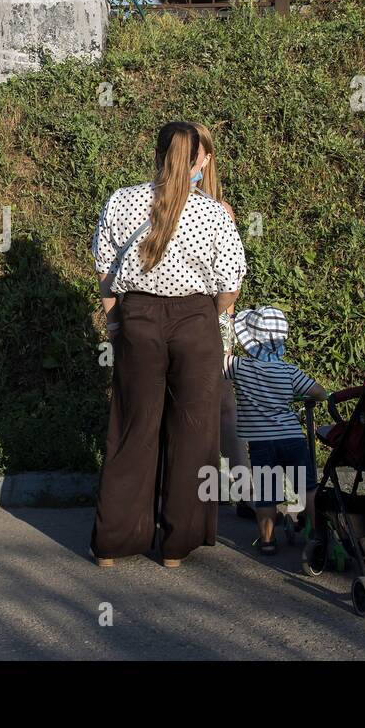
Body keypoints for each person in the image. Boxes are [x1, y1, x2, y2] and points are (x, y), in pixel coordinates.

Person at [91, 121, 247, 567]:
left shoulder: (122, 200)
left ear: (158, 153)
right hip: (196, 323)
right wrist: (208, 319)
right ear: (200, 160)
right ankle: (177, 546)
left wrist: (117, 322)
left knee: (132, 429)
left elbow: (105, 268)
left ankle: (113, 544)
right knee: (194, 434)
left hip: (138, 317)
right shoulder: (215, 213)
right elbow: (230, 284)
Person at [225, 306, 327, 555]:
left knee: (267, 496)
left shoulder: (239, 367)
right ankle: (317, 533)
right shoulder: (289, 371)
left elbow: (219, 360)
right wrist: (298, 395)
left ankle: (268, 541)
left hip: (261, 443)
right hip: (292, 438)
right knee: (308, 487)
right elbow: (320, 392)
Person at [191, 123, 251, 513]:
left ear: (206, 159)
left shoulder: (219, 209)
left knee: (225, 406)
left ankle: (245, 491)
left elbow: (233, 276)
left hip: (214, 316)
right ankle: (198, 490)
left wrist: (221, 318)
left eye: (194, 155)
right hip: (193, 314)